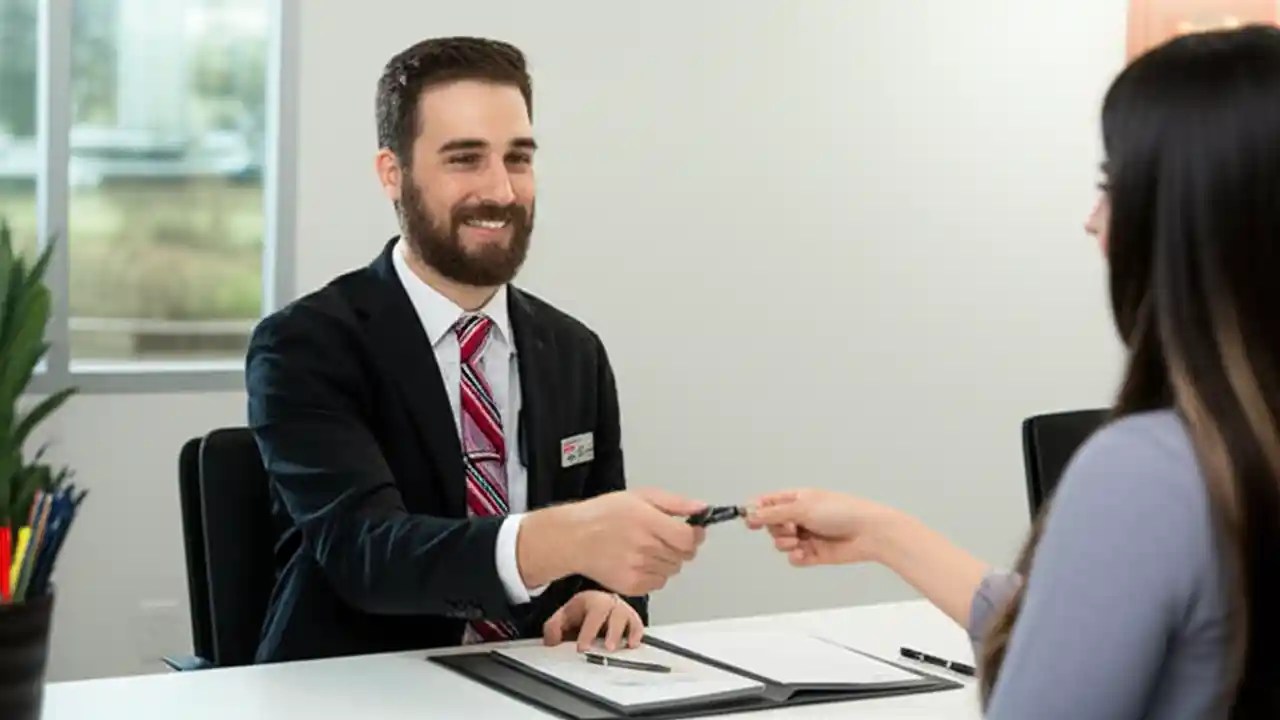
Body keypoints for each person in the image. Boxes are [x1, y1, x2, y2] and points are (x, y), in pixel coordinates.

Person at [747, 25, 1280, 719]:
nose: (1093, 223)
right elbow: (1075, 627)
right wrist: (884, 533)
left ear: (1181, 216)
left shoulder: (1152, 472)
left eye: (1110, 187)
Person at [246, 36, 707, 663]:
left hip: (533, 676)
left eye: (518, 158)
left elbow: (601, 548)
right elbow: (366, 555)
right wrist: (566, 537)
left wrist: (609, 596)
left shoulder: (575, 351)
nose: (501, 190)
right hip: (356, 686)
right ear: (393, 174)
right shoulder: (306, 345)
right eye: (465, 159)